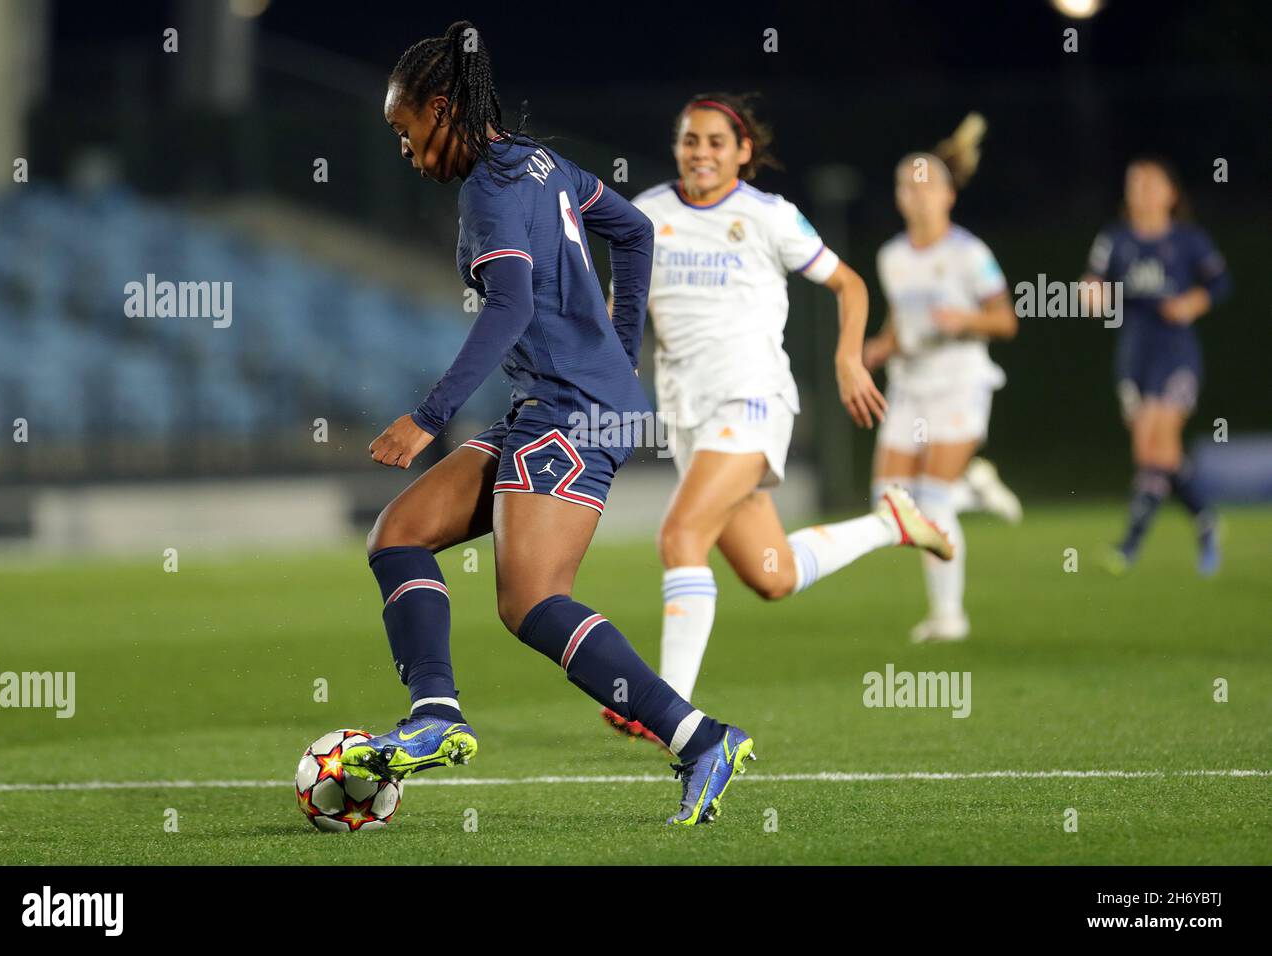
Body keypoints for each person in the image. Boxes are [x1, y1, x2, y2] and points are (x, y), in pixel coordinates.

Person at [336, 22, 754, 826]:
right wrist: (618, 347)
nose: (406, 147)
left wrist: (430, 418)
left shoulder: (490, 189)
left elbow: (513, 302)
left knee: (531, 600)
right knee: (397, 534)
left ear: (437, 107)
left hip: (574, 411)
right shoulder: (539, 162)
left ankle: (700, 738)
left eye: (405, 130)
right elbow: (633, 230)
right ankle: (435, 714)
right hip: (559, 402)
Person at [604, 92, 952, 736]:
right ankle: (890, 524)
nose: (700, 153)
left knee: (680, 536)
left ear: (743, 152)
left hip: (753, 398)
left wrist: (850, 357)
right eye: (690, 140)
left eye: (715, 142)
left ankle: (667, 708)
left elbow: (849, 283)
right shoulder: (644, 216)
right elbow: (621, 316)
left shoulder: (768, 216)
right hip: (688, 417)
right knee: (774, 575)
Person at [862, 114, 1018, 643]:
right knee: (889, 504)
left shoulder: (969, 254)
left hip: (959, 382)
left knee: (931, 498)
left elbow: (1006, 320)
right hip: (910, 386)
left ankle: (949, 616)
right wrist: (878, 349)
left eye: (927, 185)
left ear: (949, 195)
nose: (917, 195)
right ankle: (973, 484)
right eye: (907, 185)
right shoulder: (892, 257)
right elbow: (898, 324)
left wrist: (967, 321)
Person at [1083, 157, 1231, 575]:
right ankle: (1206, 521)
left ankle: (1129, 545)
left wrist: (1191, 302)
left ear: (1171, 193)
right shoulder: (1115, 239)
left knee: (1154, 442)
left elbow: (1220, 283)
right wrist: (1089, 296)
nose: (1142, 191)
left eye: (1151, 183)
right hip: (1134, 354)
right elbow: (1092, 281)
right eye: (1135, 183)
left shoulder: (1188, 239)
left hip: (1176, 353)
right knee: (1157, 453)